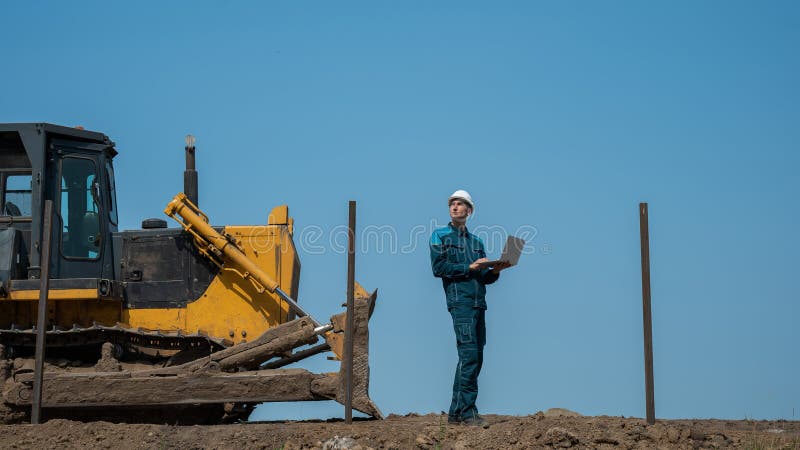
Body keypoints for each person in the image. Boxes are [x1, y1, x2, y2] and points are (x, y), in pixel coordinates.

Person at [429, 189, 510, 427]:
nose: (455, 207)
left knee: (475, 356)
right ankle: (467, 412)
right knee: (469, 355)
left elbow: (484, 278)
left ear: (469, 210)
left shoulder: (477, 242)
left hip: (478, 304)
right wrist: (470, 266)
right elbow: (439, 268)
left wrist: (495, 270)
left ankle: (456, 412)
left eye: (460, 204)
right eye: (452, 203)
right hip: (460, 303)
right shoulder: (439, 235)